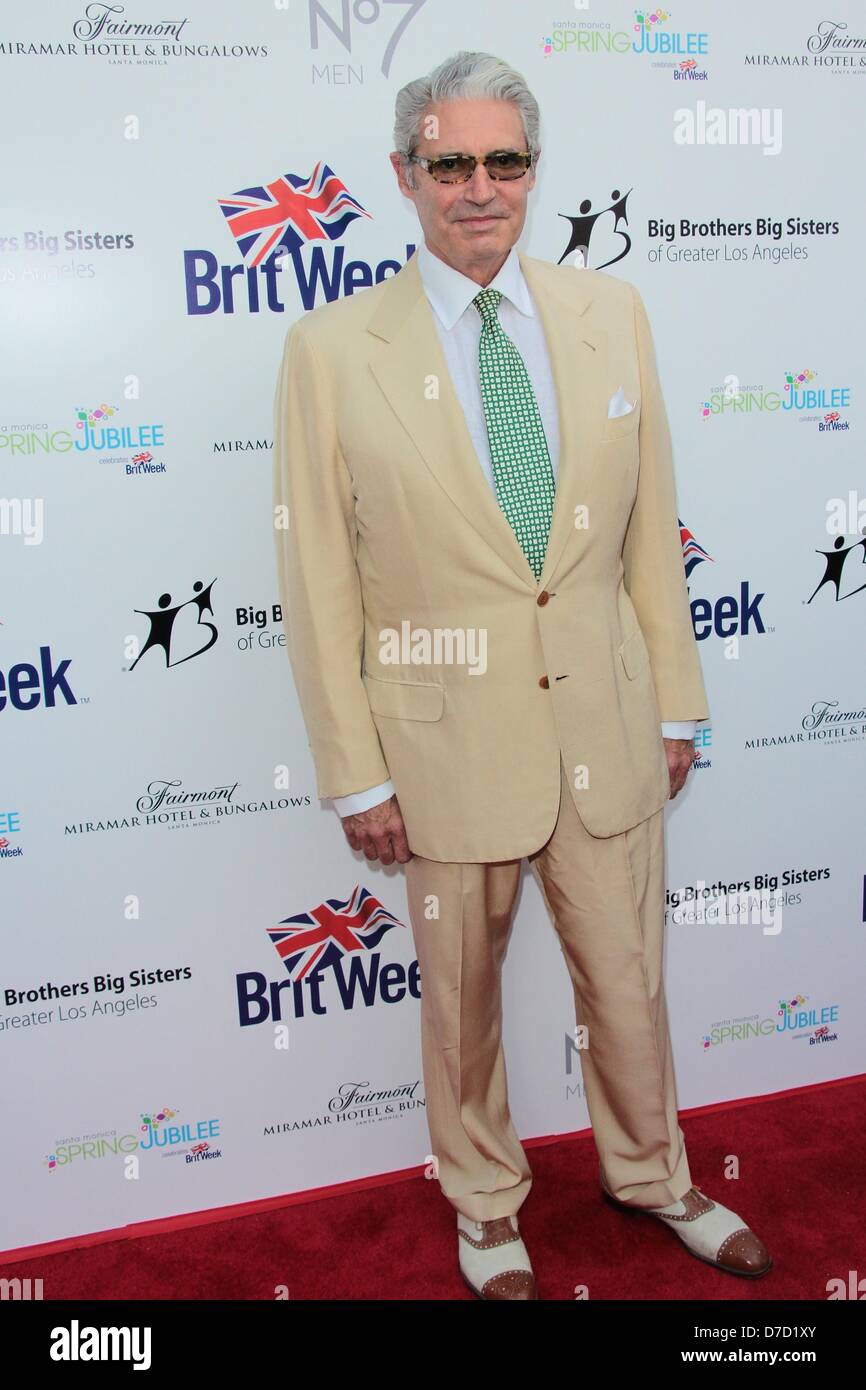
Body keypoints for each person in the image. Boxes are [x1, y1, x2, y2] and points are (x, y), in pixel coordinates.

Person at [272, 50, 772, 1300]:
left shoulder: (613, 316)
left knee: (629, 976)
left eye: (504, 161)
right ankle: (485, 1202)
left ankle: (654, 1171)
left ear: (534, 172)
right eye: (450, 163)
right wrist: (352, 776)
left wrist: (671, 702)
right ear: (405, 175)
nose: (478, 187)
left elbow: (649, 526)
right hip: (436, 744)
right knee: (458, 1004)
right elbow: (318, 579)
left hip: (605, 722)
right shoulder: (331, 351)